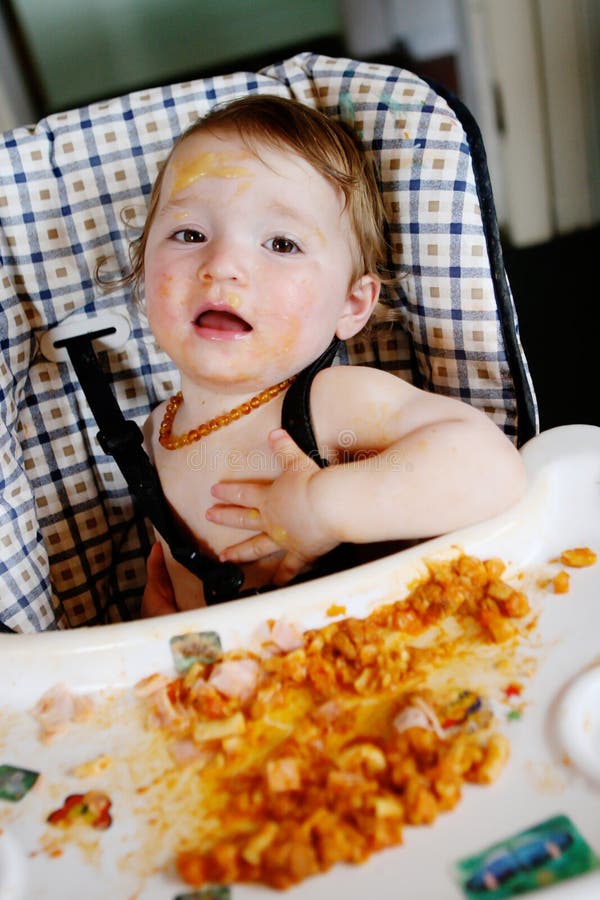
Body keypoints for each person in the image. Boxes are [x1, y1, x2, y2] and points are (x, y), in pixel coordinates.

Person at [132, 94, 527, 616]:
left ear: (351, 303)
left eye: (281, 244)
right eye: (189, 234)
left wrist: (324, 506)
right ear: (142, 272)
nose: (222, 265)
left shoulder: (331, 406)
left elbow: (492, 468)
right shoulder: (156, 432)